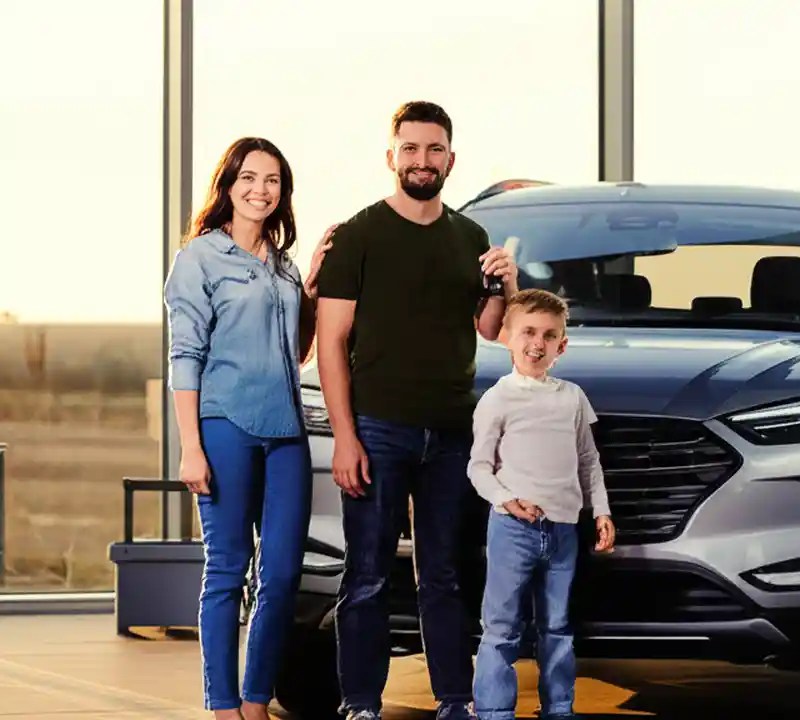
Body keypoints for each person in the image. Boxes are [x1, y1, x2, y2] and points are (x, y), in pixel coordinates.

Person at [314, 101, 517, 720]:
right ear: (391, 157)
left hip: (453, 431)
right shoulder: (358, 236)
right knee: (368, 572)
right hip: (377, 429)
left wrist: (507, 285)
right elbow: (329, 342)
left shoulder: (470, 238)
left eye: (434, 150)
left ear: (450, 159)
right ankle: (361, 703)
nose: (422, 161)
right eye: (411, 149)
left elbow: (491, 330)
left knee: (445, 575)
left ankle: (455, 700)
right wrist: (345, 437)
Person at [164, 137, 334, 720]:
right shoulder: (199, 259)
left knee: (284, 573)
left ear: (283, 192)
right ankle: (223, 705)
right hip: (224, 428)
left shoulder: (282, 266)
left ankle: (258, 700)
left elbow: (300, 351)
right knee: (228, 568)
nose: (261, 190)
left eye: (273, 181)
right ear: (229, 184)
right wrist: (191, 447)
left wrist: (308, 291)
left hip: (287, 432)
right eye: (250, 178)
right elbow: (184, 356)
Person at [467, 288, 616, 720]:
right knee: (501, 628)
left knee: (557, 628)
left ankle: (559, 708)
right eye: (528, 332)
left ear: (561, 346)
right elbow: (478, 468)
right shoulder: (497, 399)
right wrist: (507, 500)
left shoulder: (572, 398)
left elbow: (589, 461)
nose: (537, 343)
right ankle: (494, 711)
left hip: (564, 531)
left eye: (549, 336)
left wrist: (601, 510)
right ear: (507, 338)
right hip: (512, 530)